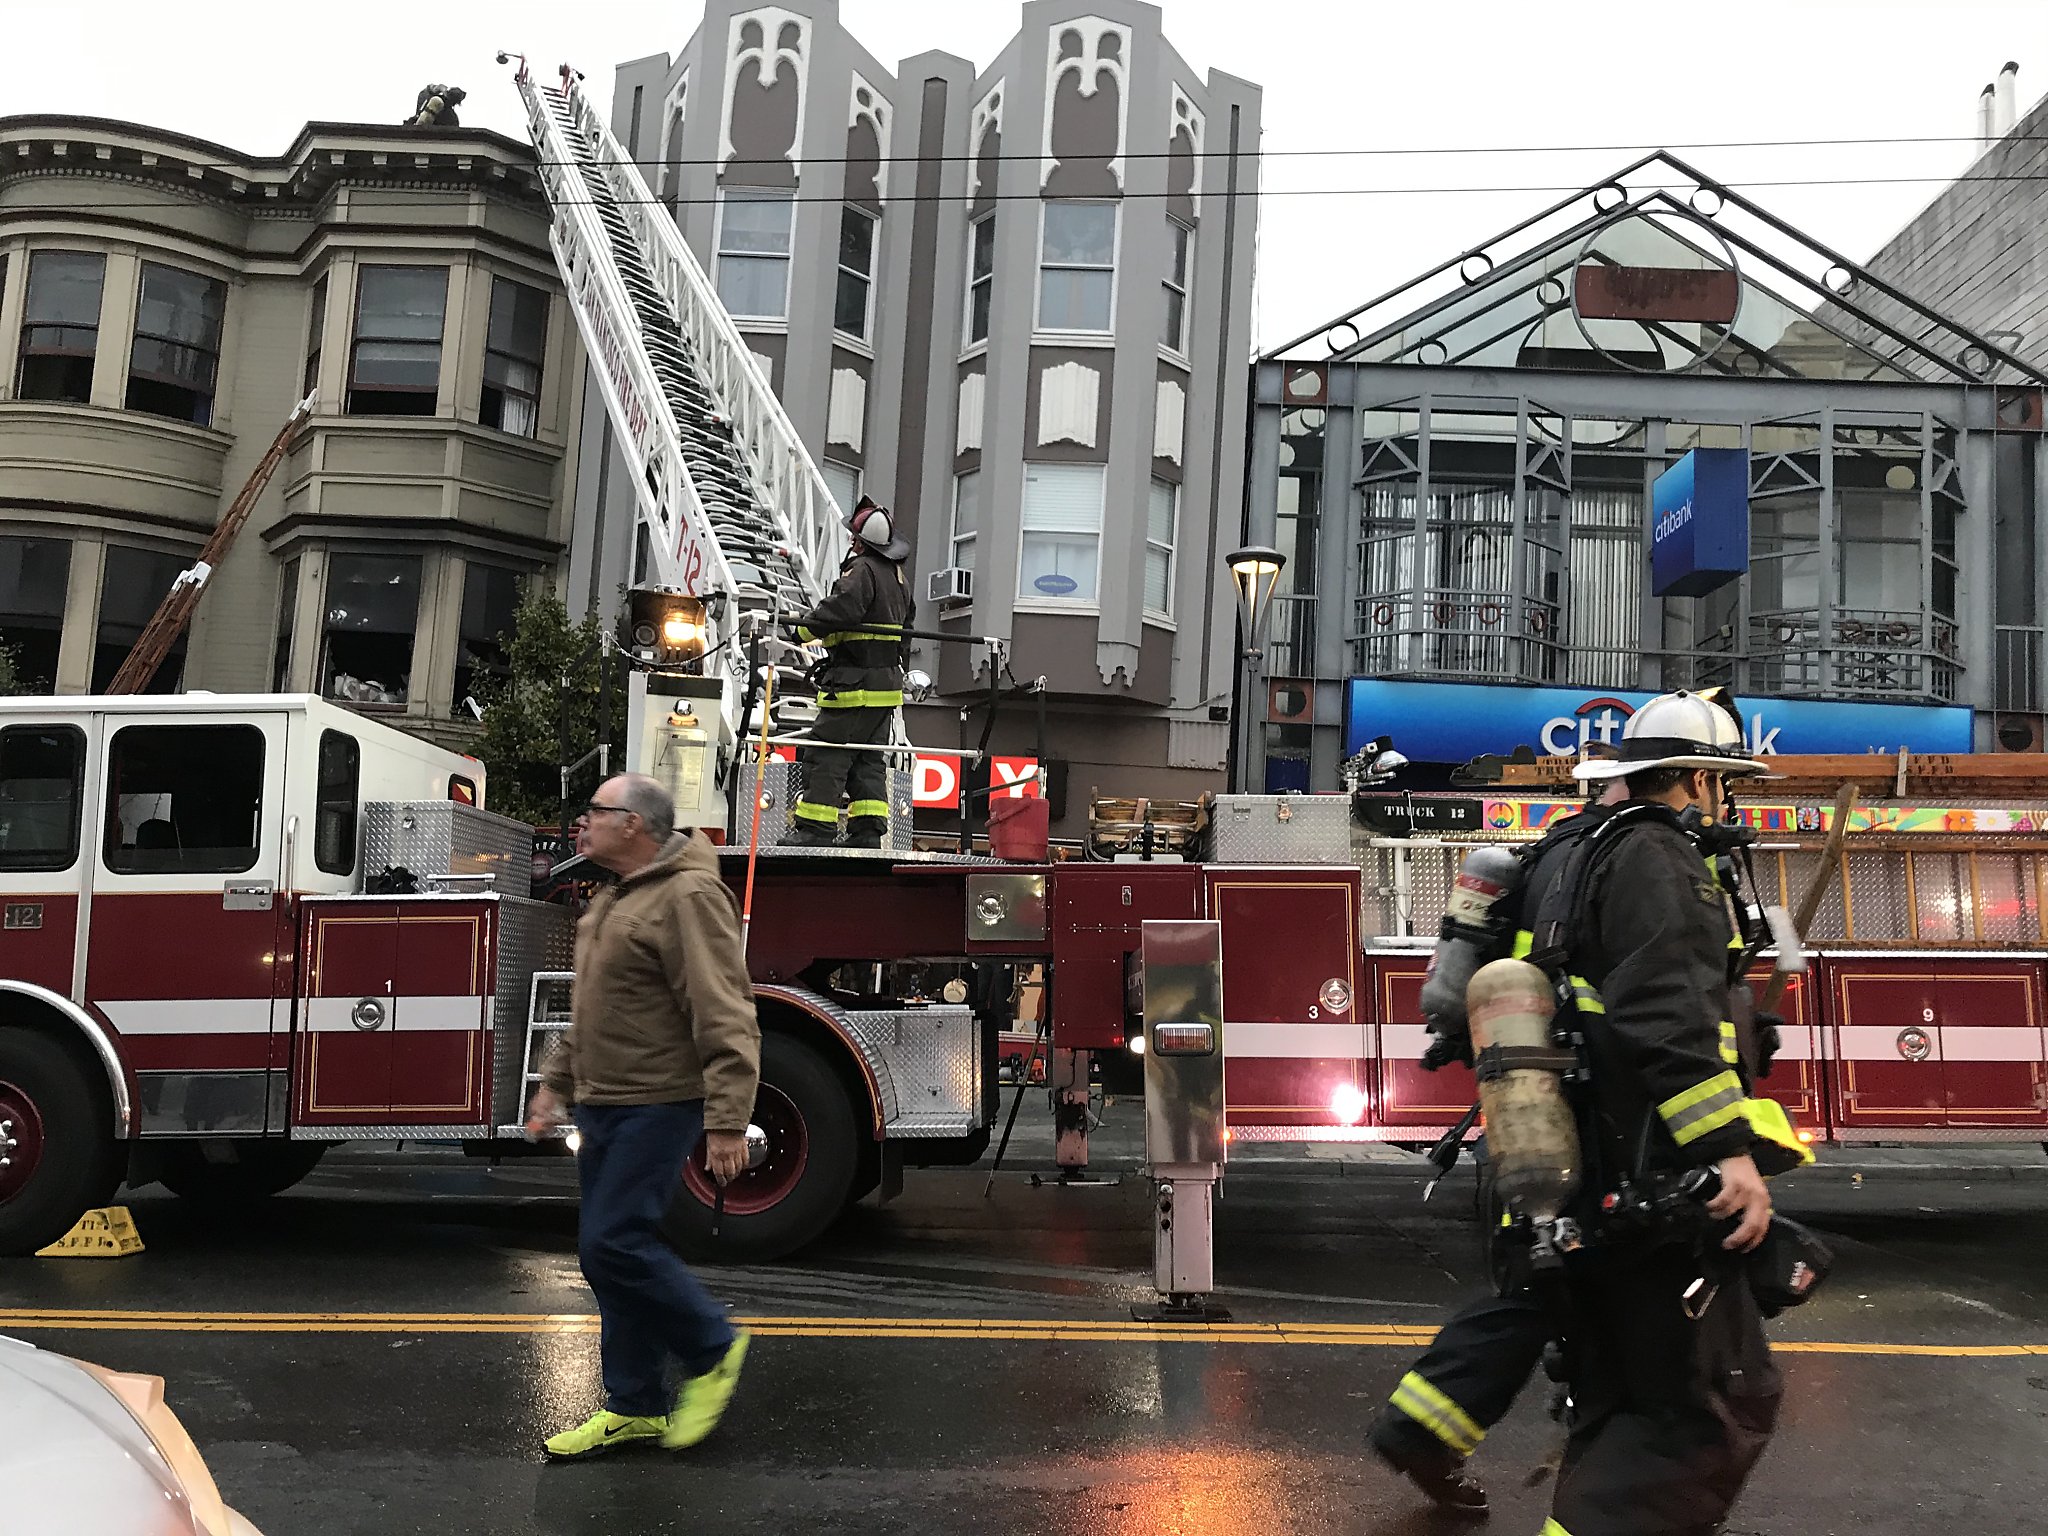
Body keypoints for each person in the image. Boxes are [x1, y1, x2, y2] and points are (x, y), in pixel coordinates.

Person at [1371, 691, 1809, 1528]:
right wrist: (1729, 1149)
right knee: (1695, 1413)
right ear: (1690, 779)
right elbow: (1664, 1014)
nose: (1726, 803)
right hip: (1642, 1171)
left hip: (1552, 1158)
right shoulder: (1657, 855)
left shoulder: (1563, 847)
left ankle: (1419, 1429)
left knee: (1596, 1371)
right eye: (1721, 783)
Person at [526, 772, 761, 1459]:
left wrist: (726, 1118)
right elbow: (595, 1005)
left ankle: (712, 1348)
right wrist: (555, 1084)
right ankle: (636, 1406)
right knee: (605, 1257)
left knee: (613, 1244)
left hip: (658, 1101)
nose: (582, 823)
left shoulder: (687, 896)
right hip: (605, 1101)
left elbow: (724, 1008)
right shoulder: (617, 897)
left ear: (634, 825)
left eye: (594, 813)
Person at [783, 496, 913, 848]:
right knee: (868, 759)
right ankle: (868, 833)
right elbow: (907, 629)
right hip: (885, 687)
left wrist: (801, 630)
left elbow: (841, 608)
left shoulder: (861, 571)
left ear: (859, 542)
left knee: (828, 753)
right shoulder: (899, 578)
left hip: (854, 684)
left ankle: (815, 829)